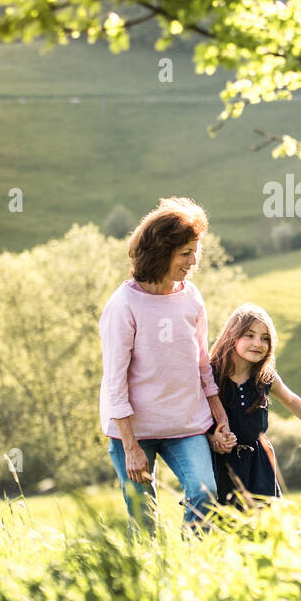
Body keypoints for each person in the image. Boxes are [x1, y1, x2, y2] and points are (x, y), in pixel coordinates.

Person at [98, 196, 236, 533]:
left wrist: (219, 417)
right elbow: (115, 382)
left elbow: (202, 364)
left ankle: (191, 569)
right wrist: (130, 447)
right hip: (134, 431)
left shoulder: (190, 297)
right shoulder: (124, 305)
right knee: (144, 521)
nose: (193, 261)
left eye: (195, 252)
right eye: (185, 253)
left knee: (205, 493)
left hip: (185, 425)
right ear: (161, 251)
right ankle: (150, 580)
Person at [206, 303, 301, 508]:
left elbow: (291, 400)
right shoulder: (210, 375)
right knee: (222, 524)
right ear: (233, 336)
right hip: (220, 463)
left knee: (262, 524)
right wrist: (211, 438)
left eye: (265, 338)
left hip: (258, 464)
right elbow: (191, 416)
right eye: (249, 335)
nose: (258, 343)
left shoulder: (265, 377)